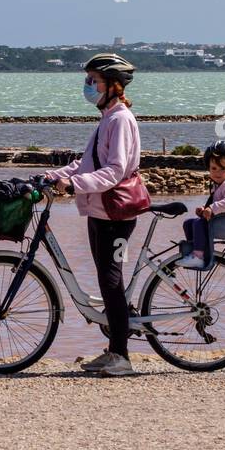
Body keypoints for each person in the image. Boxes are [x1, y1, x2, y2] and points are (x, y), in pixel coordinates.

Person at [44, 54, 143, 378]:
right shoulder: (107, 118)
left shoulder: (120, 120)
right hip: (100, 211)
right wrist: (53, 174)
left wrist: (74, 183)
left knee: (111, 282)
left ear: (113, 85)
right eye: (87, 80)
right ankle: (113, 349)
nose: (88, 86)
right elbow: (86, 164)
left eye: (93, 80)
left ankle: (123, 357)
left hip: (117, 214)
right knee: (106, 279)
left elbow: (115, 171)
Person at [179, 141, 225, 270]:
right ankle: (196, 253)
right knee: (188, 223)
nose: (217, 172)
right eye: (214, 168)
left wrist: (212, 208)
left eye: (222, 168)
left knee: (198, 223)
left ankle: (198, 257)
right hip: (219, 221)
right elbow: (220, 202)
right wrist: (204, 210)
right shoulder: (221, 184)